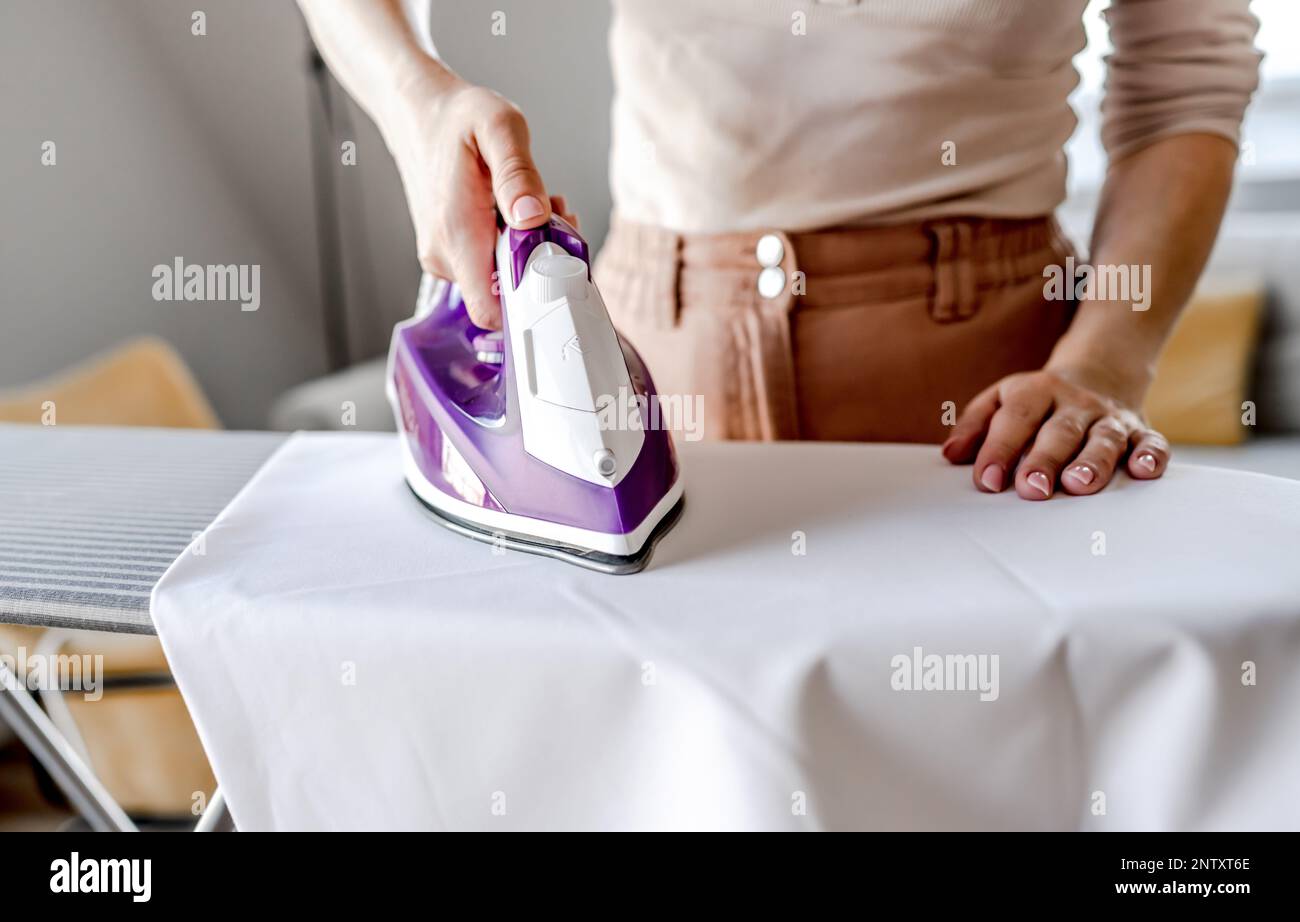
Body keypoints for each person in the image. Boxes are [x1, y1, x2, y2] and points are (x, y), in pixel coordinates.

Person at [296, 0, 1261, 500]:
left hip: (990, 398)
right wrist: (418, 107)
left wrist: (1104, 363)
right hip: (657, 349)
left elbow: (1187, 80)